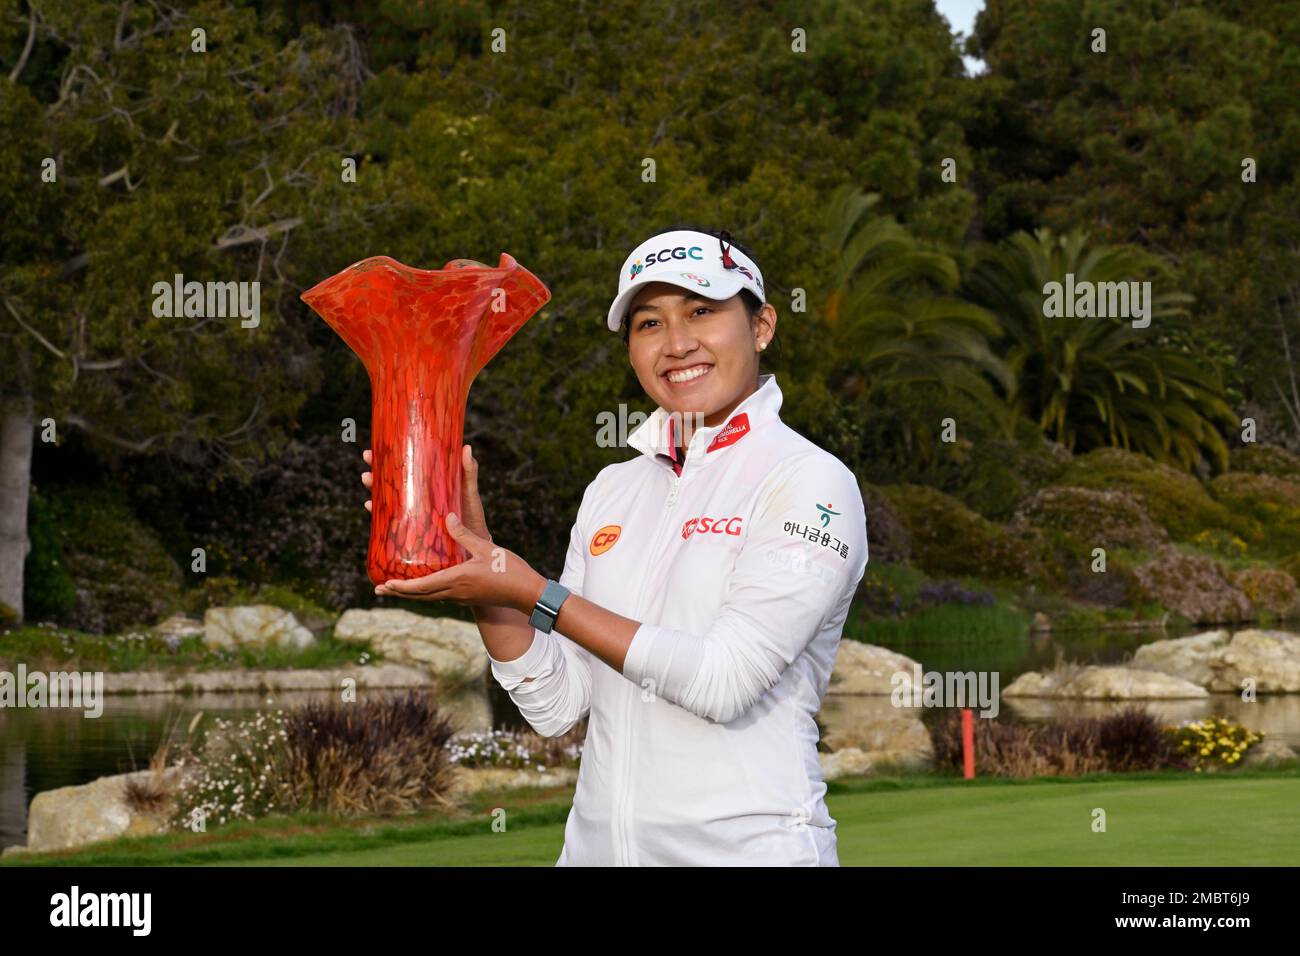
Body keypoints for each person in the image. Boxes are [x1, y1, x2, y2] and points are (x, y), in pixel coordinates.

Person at [360, 225, 869, 866]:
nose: (677, 343)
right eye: (649, 323)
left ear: (762, 325)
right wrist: (487, 580)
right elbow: (558, 704)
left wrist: (532, 590)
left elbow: (724, 681)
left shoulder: (809, 480)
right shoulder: (613, 488)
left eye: (702, 311)